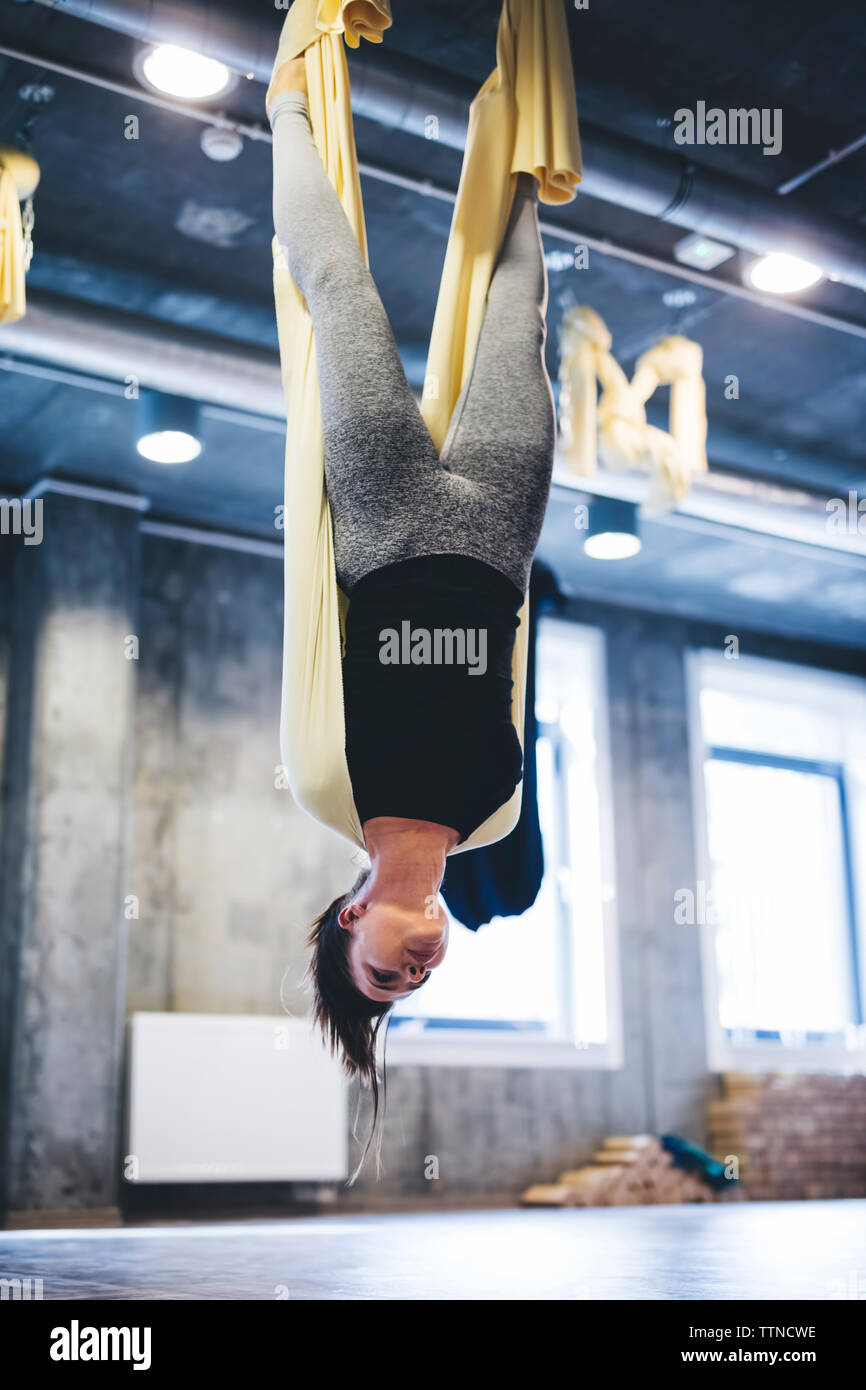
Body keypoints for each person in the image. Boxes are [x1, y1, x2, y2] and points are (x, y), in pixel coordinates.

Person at [269, 58, 555, 1100]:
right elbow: (511, 669)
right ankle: (522, 129)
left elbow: (312, 634)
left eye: (386, 970)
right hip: (494, 537)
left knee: (338, 284)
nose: (415, 968)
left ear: (352, 917)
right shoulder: (493, 812)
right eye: (419, 979)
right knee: (514, 306)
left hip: (385, 521)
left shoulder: (328, 783)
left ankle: (288, 105)